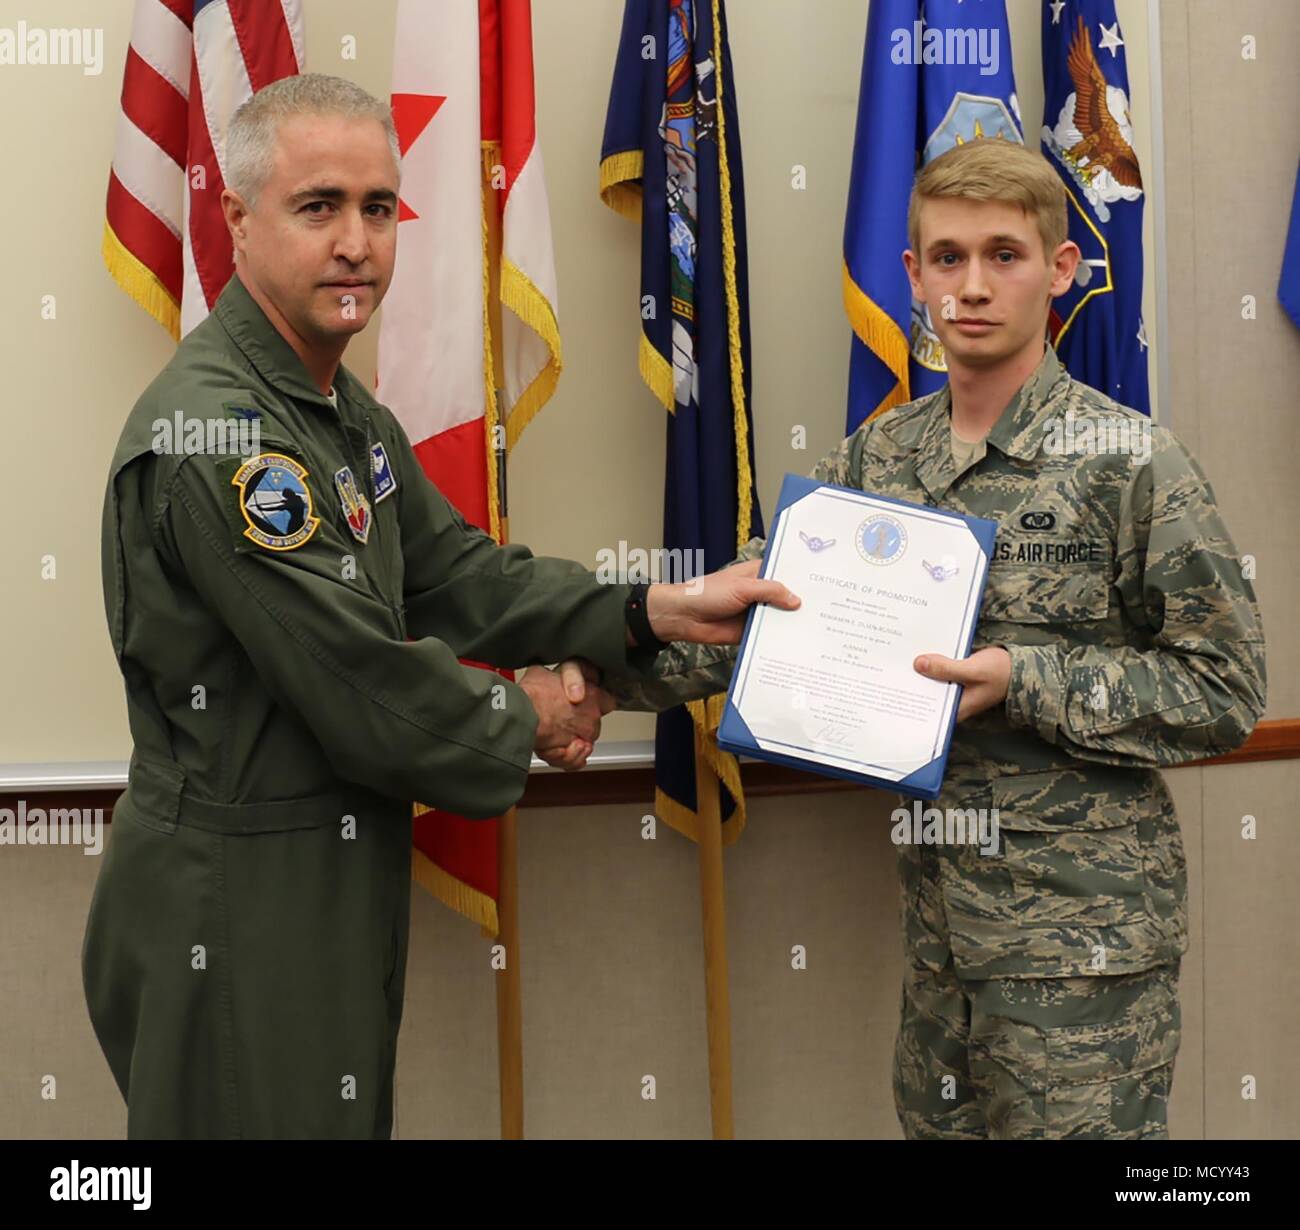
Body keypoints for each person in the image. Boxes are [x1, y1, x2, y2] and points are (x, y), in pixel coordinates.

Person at [85, 73, 798, 1140]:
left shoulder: (331, 406)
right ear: (236, 220)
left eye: (379, 208)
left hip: (321, 875)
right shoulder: (225, 437)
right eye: (318, 206)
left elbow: (461, 576)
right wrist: (533, 715)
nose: (357, 243)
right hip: (234, 901)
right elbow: (362, 683)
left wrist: (649, 609)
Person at [594, 138, 1267, 1139]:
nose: (974, 285)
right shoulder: (879, 454)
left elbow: (1222, 691)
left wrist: (1021, 678)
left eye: (1004, 254)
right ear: (911, 276)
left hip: (1082, 948)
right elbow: (752, 612)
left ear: (1059, 270)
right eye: (946, 258)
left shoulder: (1130, 464)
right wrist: (586, 676)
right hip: (940, 935)